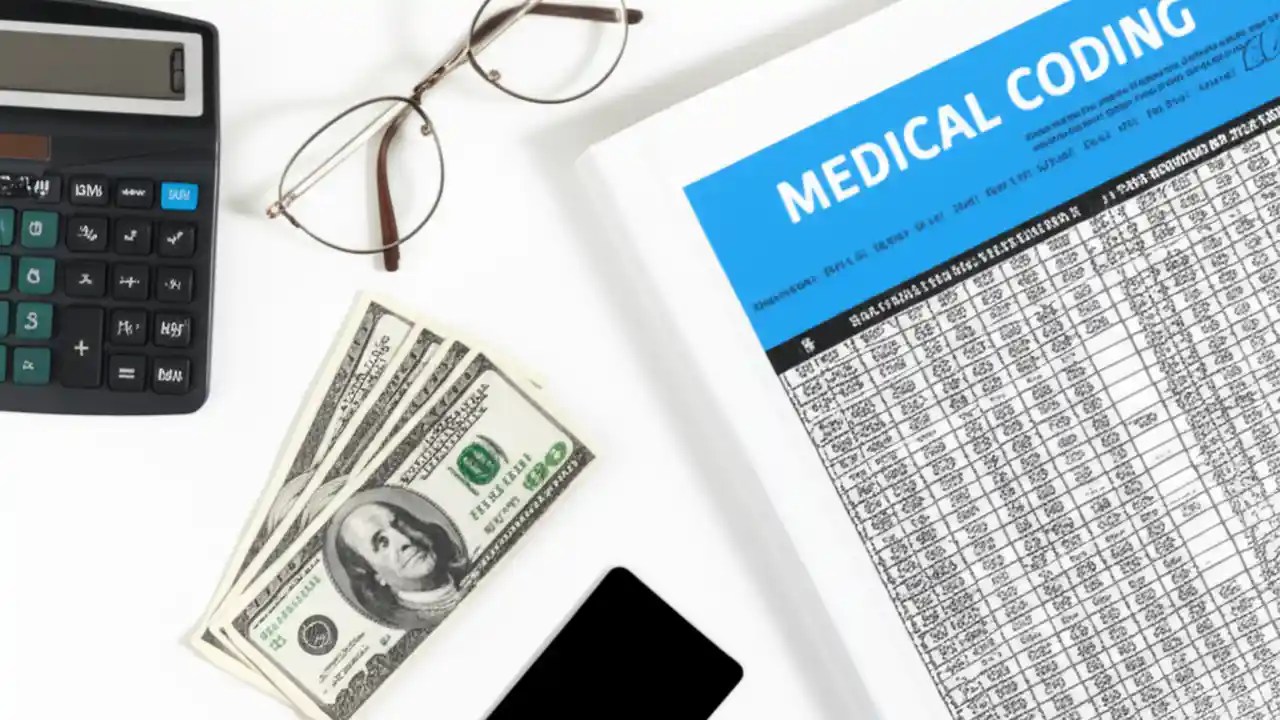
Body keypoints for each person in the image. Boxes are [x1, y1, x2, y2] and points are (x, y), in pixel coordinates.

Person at [334, 500, 468, 630]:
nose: (405, 539)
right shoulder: (412, 623)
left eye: (400, 525)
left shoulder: (466, 567)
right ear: (375, 575)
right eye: (383, 543)